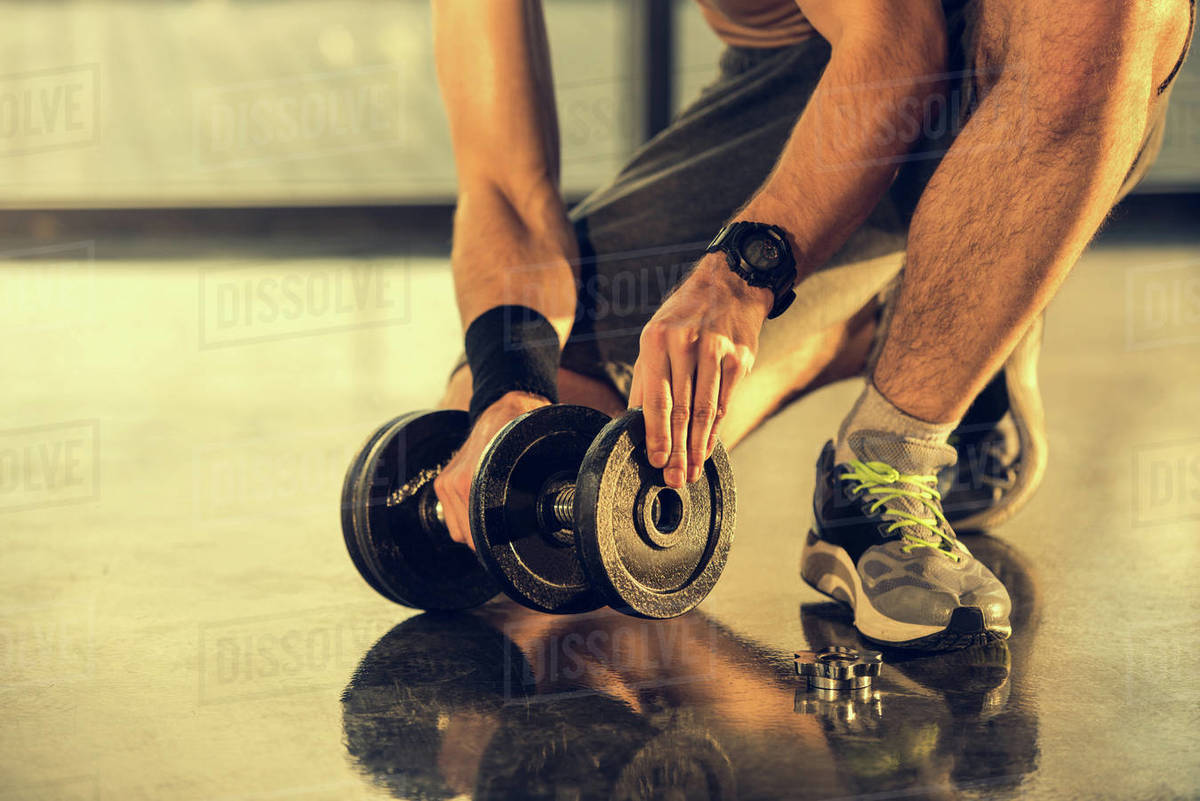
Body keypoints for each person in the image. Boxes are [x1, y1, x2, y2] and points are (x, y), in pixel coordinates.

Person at [429, 0, 1194, 648]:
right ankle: (923, 312)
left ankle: (889, 454)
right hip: (798, 93)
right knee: (554, 474)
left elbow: (897, 44)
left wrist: (739, 275)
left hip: (1030, 58)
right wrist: (512, 390)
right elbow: (502, 186)